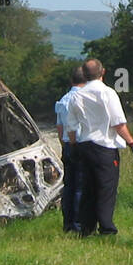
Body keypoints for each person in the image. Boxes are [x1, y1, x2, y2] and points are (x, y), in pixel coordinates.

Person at [65, 58, 133, 236]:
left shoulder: (76, 96)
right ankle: (106, 227)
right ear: (103, 72)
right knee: (106, 188)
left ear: (84, 75)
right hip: (104, 146)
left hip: (84, 144)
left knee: (88, 188)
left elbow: (71, 126)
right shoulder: (108, 93)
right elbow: (118, 124)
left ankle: (86, 228)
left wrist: (74, 145)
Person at [53, 65, 87, 233]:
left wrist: (63, 144)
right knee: (81, 186)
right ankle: (78, 223)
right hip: (81, 144)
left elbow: (59, 127)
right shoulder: (84, 98)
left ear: (71, 80)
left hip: (67, 144)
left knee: (69, 185)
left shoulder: (64, 98)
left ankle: (67, 224)